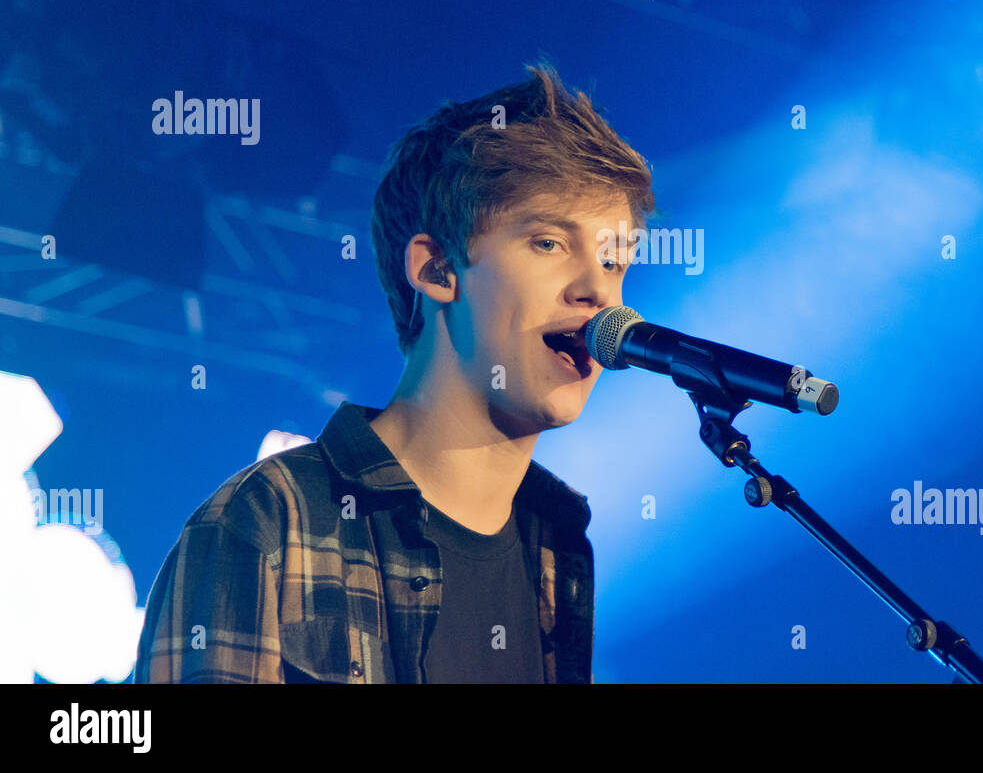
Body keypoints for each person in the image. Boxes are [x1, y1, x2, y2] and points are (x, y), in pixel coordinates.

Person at [133, 59, 656, 682]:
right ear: (437, 270)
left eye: (615, 260)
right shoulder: (270, 522)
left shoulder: (557, 549)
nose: (599, 291)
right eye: (549, 242)